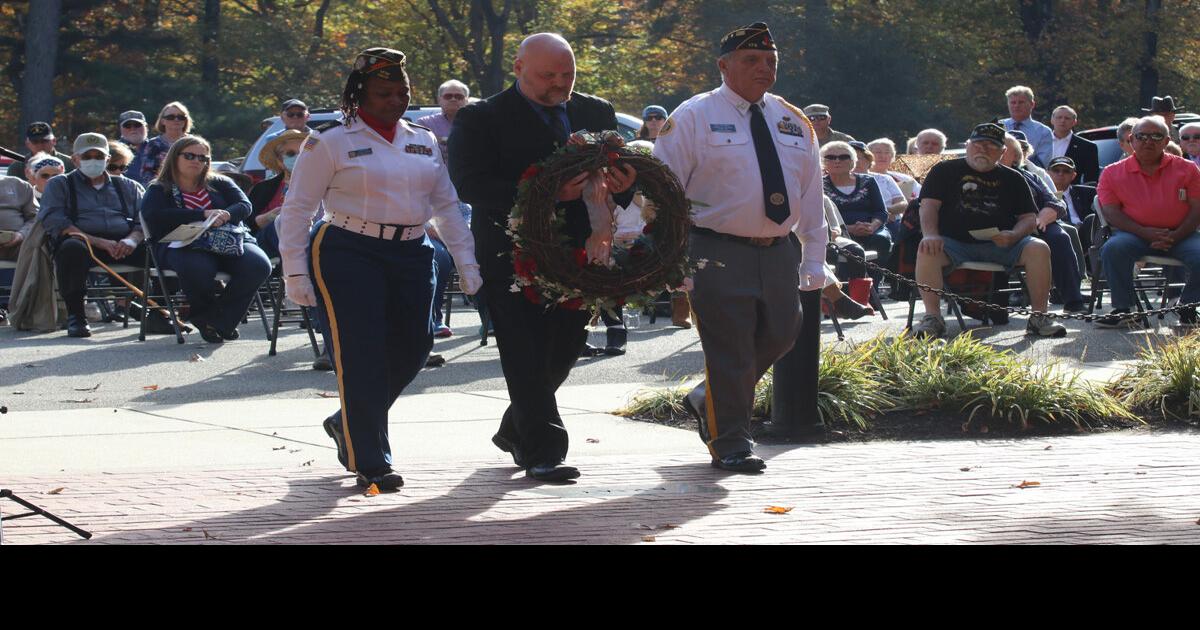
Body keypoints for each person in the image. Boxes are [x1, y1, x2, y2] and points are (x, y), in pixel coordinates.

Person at [280, 47, 480, 491]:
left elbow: (446, 205)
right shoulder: (330, 141)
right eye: (384, 92)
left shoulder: (422, 139)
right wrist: (294, 271)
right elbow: (296, 210)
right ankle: (370, 459)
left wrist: (466, 260)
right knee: (361, 352)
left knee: (414, 346)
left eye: (402, 91)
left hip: (412, 250)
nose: (396, 100)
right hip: (348, 249)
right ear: (360, 95)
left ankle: (345, 420)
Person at [448, 33, 635, 482]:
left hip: (579, 247)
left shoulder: (596, 110)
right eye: (547, 75)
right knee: (525, 348)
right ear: (518, 69)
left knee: (567, 344)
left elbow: (616, 168)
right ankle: (544, 450)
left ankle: (517, 429)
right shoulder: (482, 117)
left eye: (567, 74)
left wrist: (626, 185)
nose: (559, 84)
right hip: (510, 249)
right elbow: (470, 184)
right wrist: (543, 192)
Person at [654, 22, 827, 473]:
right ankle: (732, 443)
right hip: (714, 246)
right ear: (723, 66)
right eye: (751, 60)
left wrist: (814, 256)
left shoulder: (792, 119)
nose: (763, 68)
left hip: (777, 247)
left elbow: (810, 193)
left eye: (771, 61)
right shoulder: (692, 115)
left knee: (785, 331)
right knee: (729, 345)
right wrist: (668, 256)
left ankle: (704, 397)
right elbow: (663, 190)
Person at [911, 122, 1065, 338]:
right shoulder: (943, 170)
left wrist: (1014, 235)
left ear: (1002, 152)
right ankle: (933, 318)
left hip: (1002, 244)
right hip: (954, 243)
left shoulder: (1014, 178)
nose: (983, 149)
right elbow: (928, 207)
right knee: (926, 247)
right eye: (978, 144)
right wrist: (930, 234)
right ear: (967, 146)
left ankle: (1039, 316)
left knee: (1039, 247)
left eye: (991, 146)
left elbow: (1029, 218)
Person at [140, 135, 272, 344]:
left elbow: (244, 205)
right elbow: (154, 217)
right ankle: (205, 317)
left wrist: (226, 214)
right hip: (181, 244)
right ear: (175, 157)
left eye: (203, 158)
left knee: (258, 265)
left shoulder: (221, 182)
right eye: (190, 156)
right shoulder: (159, 188)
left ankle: (220, 320)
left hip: (228, 239)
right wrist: (202, 215)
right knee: (198, 267)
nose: (197, 161)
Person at [1096, 116, 1200, 328]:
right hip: (1133, 234)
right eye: (1142, 136)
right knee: (1113, 248)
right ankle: (1123, 309)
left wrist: (1175, 235)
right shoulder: (1112, 172)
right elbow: (1112, 213)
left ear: (1166, 140)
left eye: (1156, 136)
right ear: (1131, 139)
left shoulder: (1188, 169)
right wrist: (1145, 232)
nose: (1148, 141)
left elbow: (1197, 209)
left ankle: (1188, 307)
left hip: (1181, 234)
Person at [39, 133, 146, 338]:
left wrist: (132, 240)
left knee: (160, 249)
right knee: (70, 249)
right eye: (87, 156)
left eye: (99, 156)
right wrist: (99, 242)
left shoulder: (128, 186)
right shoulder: (60, 184)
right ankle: (77, 316)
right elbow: (56, 222)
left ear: (108, 159)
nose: (93, 160)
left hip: (125, 241)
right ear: (75, 159)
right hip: (84, 242)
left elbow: (145, 220)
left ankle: (157, 310)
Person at [999, 133, 1086, 313]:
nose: (996, 152)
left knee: (1060, 237)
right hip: (1003, 228)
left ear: (1015, 155)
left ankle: (1072, 299)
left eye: (1003, 149)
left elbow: (1056, 201)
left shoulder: (1031, 176)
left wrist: (1048, 214)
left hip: (1039, 225)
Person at [824, 141, 892, 286]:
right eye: (830, 157)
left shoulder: (868, 181)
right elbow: (822, 217)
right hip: (839, 232)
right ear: (823, 162)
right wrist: (849, 229)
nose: (837, 160)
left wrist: (872, 227)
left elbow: (881, 211)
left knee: (882, 240)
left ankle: (872, 288)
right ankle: (844, 290)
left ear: (853, 161)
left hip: (872, 229)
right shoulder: (818, 185)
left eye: (843, 157)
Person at [1047, 156, 1099, 265]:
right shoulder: (1042, 195)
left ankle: (1094, 267)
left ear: (1073, 175)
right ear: (1047, 173)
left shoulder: (1089, 193)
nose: (1060, 174)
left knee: (1091, 219)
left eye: (1066, 171)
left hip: (1086, 232)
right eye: (1056, 170)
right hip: (1062, 232)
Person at [142, 101, 194, 187]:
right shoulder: (154, 144)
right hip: (161, 190)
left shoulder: (193, 143)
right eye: (171, 117)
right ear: (162, 121)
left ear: (185, 121)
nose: (176, 120)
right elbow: (147, 174)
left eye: (181, 117)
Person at [415, 80, 469, 160]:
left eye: (459, 96)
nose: (453, 99)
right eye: (448, 96)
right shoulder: (424, 124)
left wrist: (442, 140)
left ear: (466, 100)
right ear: (439, 100)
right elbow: (419, 154)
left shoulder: (477, 124)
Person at [1001, 85, 1053, 167]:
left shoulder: (1044, 132)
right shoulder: (998, 126)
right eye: (1013, 102)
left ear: (1032, 104)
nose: (1016, 106)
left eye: (1021, 102)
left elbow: (1042, 162)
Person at [1049, 105, 1099, 184]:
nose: (1062, 121)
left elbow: (1091, 179)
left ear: (1074, 122)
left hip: (1071, 193)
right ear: (1052, 120)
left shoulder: (1087, 147)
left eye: (1067, 118)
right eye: (1059, 117)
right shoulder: (1039, 142)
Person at [6, 122, 73, 178]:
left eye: (44, 141)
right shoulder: (17, 168)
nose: (40, 145)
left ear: (54, 141)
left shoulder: (70, 164)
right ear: (27, 144)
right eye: (35, 142)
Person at [116, 111, 155, 186]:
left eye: (137, 125)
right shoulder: (113, 150)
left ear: (146, 127)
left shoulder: (157, 147)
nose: (132, 129)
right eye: (127, 126)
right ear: (120, 129)